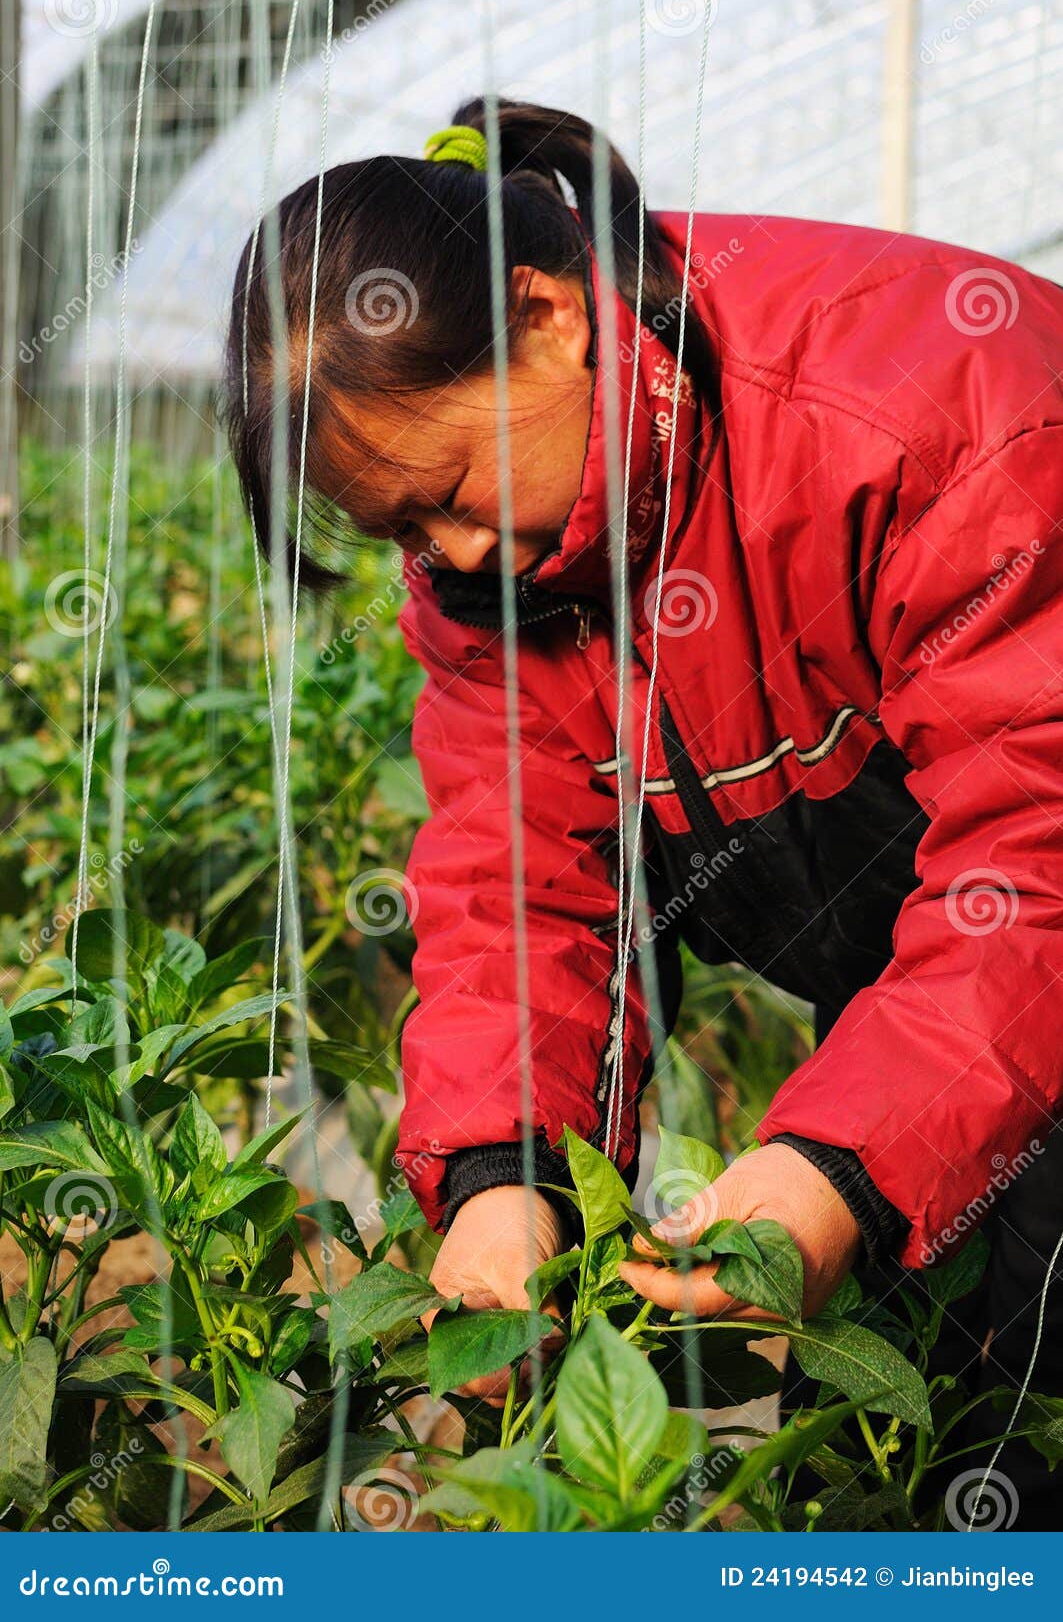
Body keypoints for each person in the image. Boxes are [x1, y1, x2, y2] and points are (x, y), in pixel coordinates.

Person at [224, 98, 1063, 1520]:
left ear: (547, 315)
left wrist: (838, 1168)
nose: (446, 556)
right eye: (401, 536)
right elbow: (516, 875)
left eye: (447, 492)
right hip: (945, 968)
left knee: (1022, 1380)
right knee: (911, 1394)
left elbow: (1037, 854)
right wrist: (507, 1178)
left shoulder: (932, 407)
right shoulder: (499, 572)